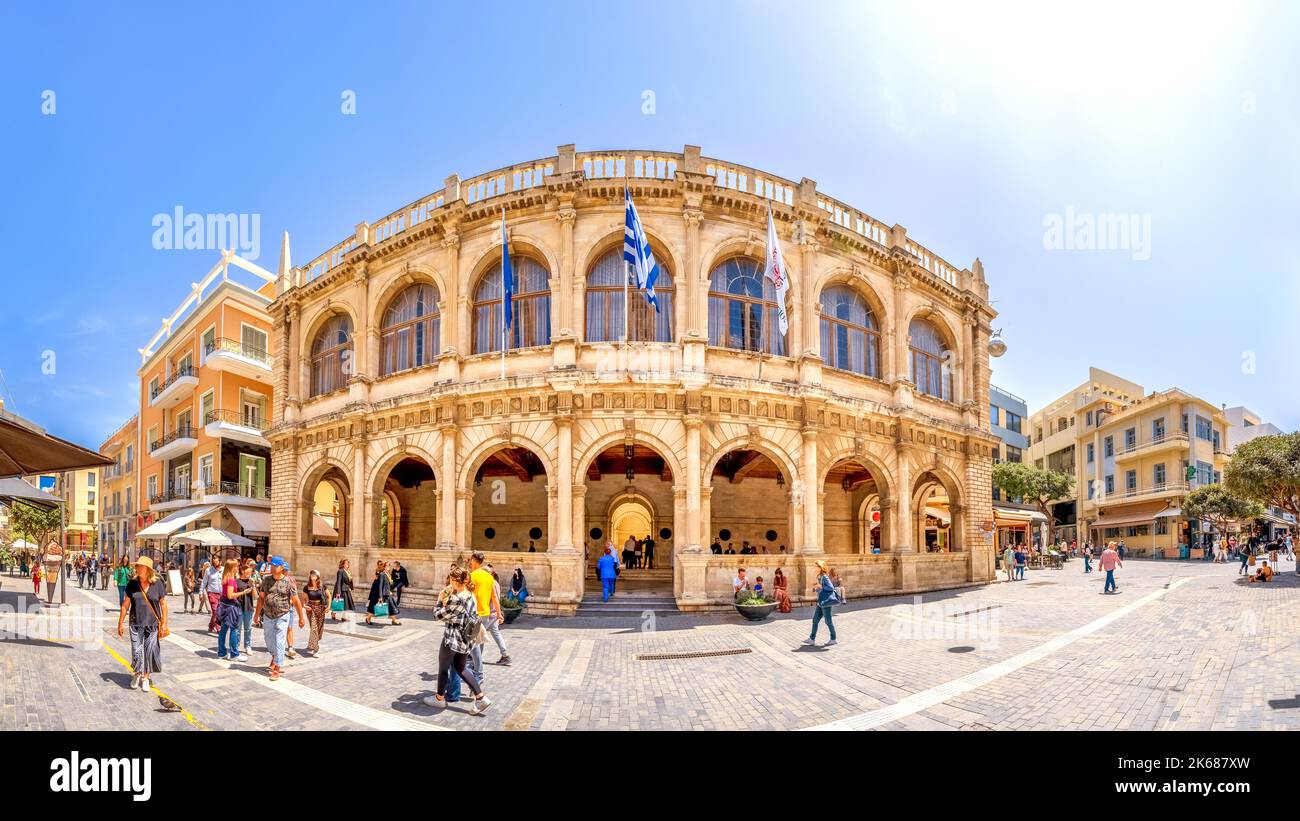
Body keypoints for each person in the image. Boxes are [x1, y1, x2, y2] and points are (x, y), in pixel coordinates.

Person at [423, 567, 489, 714]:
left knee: (443, 668)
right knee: (461, 668)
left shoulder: (455, 599)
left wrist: (440, 599)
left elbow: (437, 616)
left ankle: (439, 699)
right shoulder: (470, 595)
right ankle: (481, 698)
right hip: (466, 638)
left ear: (453, 580)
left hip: (452, 638)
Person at [117, 556, 167, 692]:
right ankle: (137, 674)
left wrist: (164, 623)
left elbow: (163, 604)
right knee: (137, 651)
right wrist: (120, 622)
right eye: (137, 566)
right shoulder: (132, 584)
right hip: (136, 622)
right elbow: (125, 604)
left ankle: (146, 677)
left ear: (148, 569)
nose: (137, 568)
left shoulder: (157, 584)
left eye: (140, 566)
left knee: (150, 651)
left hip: (152, 624)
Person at [253, 556, 304, 681]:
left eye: (276, 566)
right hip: (268, 615)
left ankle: (277, 668)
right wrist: (256, 614)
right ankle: (275, 656)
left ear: (281, 568)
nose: (273, 568)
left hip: (283, 615)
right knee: (269, 640)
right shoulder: (266, 580)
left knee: (280, 641)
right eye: (272, 566)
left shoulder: (288, 582)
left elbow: (296, 601)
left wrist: (301, 618)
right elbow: (261, 598)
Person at [469, 552, 510, 673]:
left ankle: (477, 669)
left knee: (473, 641)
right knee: (479, 639)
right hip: (486, 613)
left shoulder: (472, 576)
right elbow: (495, 598)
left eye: (470, 560)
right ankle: (477, 666)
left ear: (473, 560)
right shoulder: (489, 578)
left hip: (474, 613)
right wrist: (499, 613)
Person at [216, 559, 248, 661]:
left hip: (224, 606)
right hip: (231, 607)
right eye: (236, 566)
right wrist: (244, 592)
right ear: (232, 568)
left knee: (223, 630)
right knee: (234, 629)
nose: (237, 568)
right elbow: (230, 595)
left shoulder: (226, 578)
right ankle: (234, 654)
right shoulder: (230, 580)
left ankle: (222, 653)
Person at [803, 559, 838, 647]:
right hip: (820, 602)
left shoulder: (825, 577)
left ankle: (833, 638)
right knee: (815, 620)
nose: (815, 568)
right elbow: (822, 588)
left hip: (825, 602)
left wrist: (820, 586)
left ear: (820, 567)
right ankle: (812, 639)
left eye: (816, 566)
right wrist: (816, 588)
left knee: (828, 621)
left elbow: (830, 588)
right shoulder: (820, 576)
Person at [366, 560, 401, 626]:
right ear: (384, 567)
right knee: (375, 607)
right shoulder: (382, 574)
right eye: (387, 566)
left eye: (389, 566)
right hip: (382, 594)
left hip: (387, 593)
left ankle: (394, 620)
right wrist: (380, 597)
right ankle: (368, 618)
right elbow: (380, 586)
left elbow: (389, 584)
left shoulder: (388, 574)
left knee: (391, 607)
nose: (388, 567)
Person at [301, 569, 328, 654]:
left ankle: (311, 643)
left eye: (315, 574)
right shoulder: (306, 587)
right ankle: (315, 649)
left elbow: (329, 596)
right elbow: (304, 599)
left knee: (319, 629)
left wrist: (329, 607)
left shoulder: (322, 586)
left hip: (321, 609)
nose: (313, 576)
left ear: (318, 576)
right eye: (311, 574)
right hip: (311, 609)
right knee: (314, 628)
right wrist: (304, 606)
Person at [236, 561, 257, 655]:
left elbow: (255, 596)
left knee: (248, 628)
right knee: (238, 628)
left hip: (248, 607)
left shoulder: (250, 582)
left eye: (251, 572)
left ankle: (247, 646)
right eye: (248, 572)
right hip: (238, 607)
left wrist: (253, 585)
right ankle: (236, 646)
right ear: (243, 571)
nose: (250, 574)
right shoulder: (236, 581)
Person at [202, 559, 223, 632]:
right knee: (215, 611)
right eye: (213, 562)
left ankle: (211, 625)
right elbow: (204, 582)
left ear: (220, 562)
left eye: (216, 562)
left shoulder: (223, 569)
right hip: (212, 593)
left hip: (221, 594)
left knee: (218, 611)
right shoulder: (208, 570)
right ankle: (218, 628)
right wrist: (200, 592)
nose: (215, 564)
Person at [332, 558, 354, 622]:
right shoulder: (340, 571)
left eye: (348, 563)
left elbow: (349, 581)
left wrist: (350, 587)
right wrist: (338, 592)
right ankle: (333, 613)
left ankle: (343, 617)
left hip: (346, 589)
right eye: (346, 563)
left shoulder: (347, 572)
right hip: (341, 590)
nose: (347, 564)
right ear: (343, 564)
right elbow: (338, 582)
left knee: (346, 604)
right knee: (339, 603)